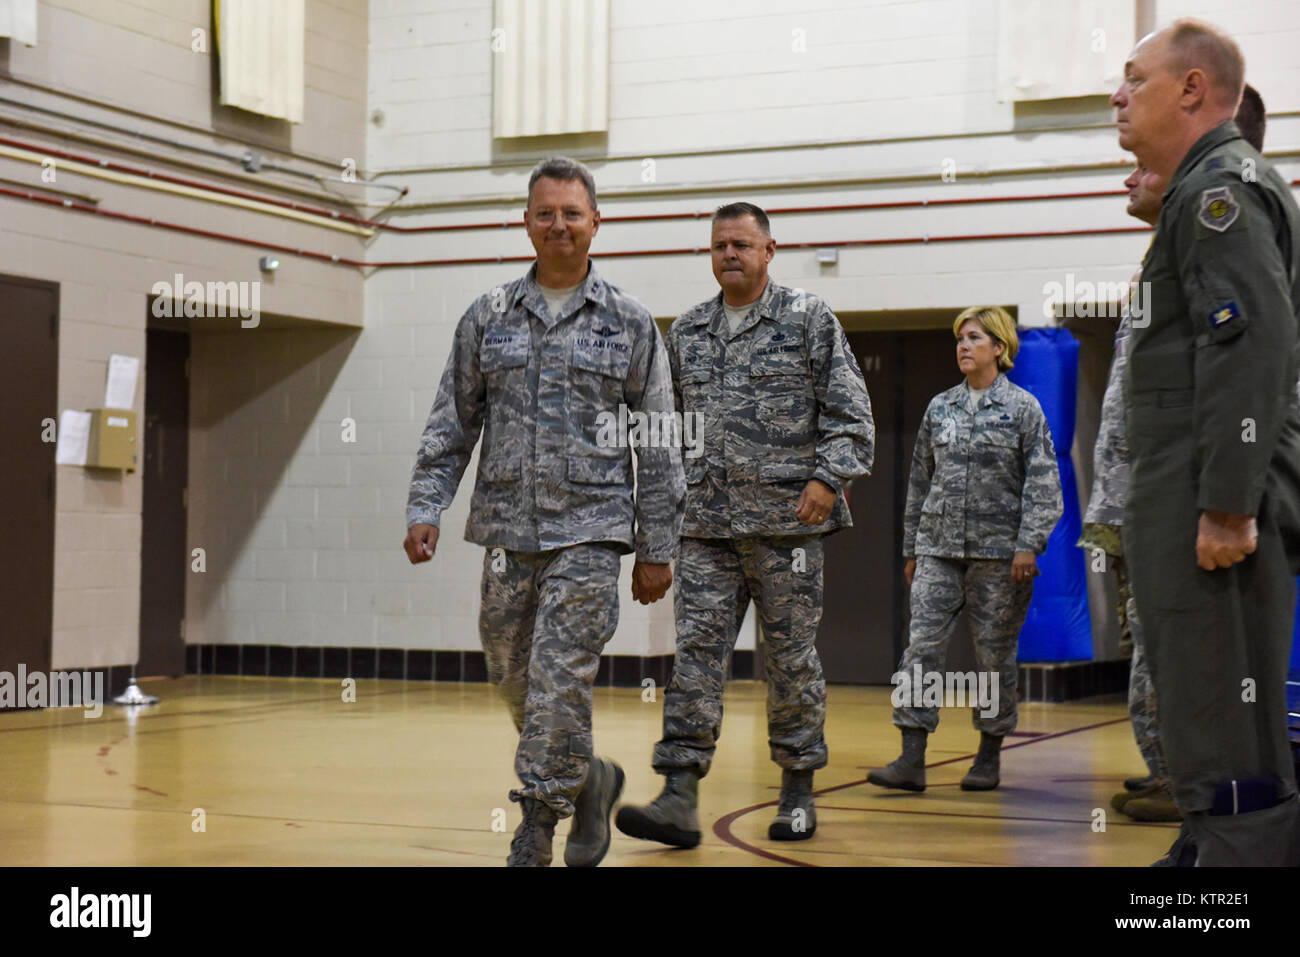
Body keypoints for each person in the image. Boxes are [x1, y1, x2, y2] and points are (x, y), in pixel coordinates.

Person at [403, 157, 685, 867]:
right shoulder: (487, 316)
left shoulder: (628, 322)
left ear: (596, 221)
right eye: (544, 212)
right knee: (512, 673)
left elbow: (657, 440)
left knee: (561, 675)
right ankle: (589, 781)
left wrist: (657, 545)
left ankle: (537, 822)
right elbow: (452, 420)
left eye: (572, 212)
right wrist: (426, 502)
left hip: (591, 530)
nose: (558, 224)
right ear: (526, 222)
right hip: (505, 530)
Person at [615, 202, 875, 846]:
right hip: (705, 527)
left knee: (789, 662)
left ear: (769, 251)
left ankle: (796, 790)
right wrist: (657, 531)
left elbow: (852, 417)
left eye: (741, 244)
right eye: (720, 245)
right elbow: (664, 435)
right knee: (697, 659)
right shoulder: (688, 331)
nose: (729, 253)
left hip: (788, 530)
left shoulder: (807, 318)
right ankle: (678, 794)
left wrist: (827, 477)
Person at [1111, 20, 1300, 865]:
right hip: (1189, 485)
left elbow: (1246, 347)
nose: (1118, 98)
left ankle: (1234, 866)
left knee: (1223, 694)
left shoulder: (1221, 190)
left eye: (1134, 80)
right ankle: (1212, 843)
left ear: (1191, 89)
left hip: (1211, 493)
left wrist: (1227, 503)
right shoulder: (1197, 192)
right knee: (1198, 689)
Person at [1085, 85, 1267, 832]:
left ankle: (1194, 793)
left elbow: (1241, 379)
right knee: (1155, 654)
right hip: (1143, 499)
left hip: (1187, 503)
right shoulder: (1172, 252)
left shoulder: (1229, 225)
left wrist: (1221, 501)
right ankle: (1178, 778)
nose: (1133, 171)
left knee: (1184, 661)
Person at [868, 306, 1062, 792]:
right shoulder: (940, 408)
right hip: (938, 550)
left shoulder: (1023, 409)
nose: (963, 346)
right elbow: (919, 481)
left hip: (1000, 558)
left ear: (1000, 347)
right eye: (959, 339)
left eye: (974, 338)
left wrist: (1028, 546)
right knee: (920, 651)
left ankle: (989, 755)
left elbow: (1043, 484)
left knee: (994, 658)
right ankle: (911, 756)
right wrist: (913, 547)